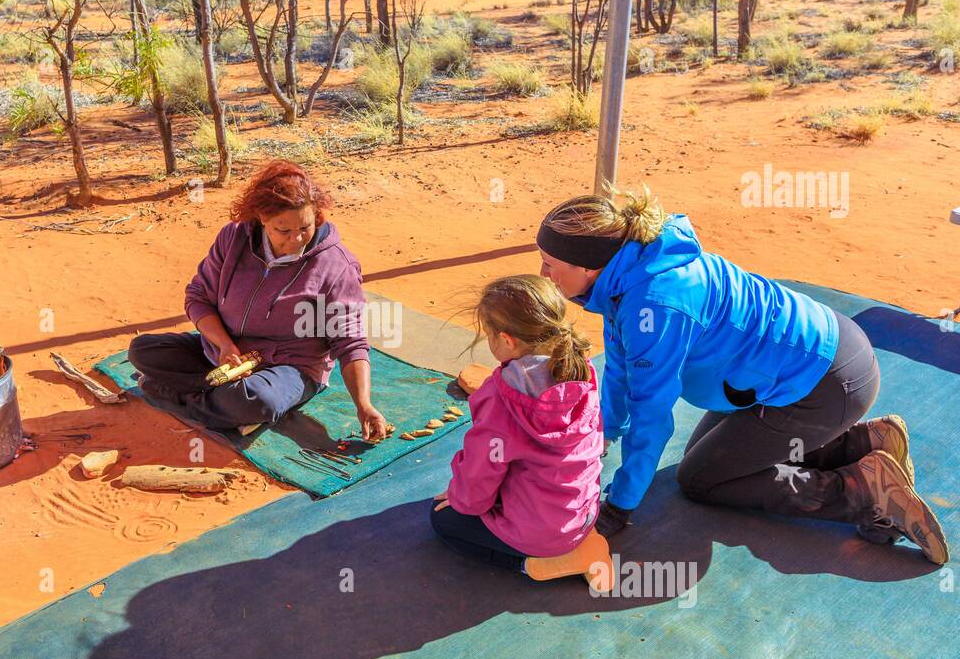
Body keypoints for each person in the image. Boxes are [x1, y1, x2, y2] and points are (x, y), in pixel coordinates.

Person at [535, 187, 948, 564]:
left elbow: (651, 413)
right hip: (814, 356)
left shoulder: (655, 305)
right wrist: (605, 431)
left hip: (824, 384)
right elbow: (622, 369)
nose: (543, 275)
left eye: (551, 264)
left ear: (587, 267)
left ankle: (865, 491)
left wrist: (620, 504)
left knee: (702, 481)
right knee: (709, 454)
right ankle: (862, 442)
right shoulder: (635, 267)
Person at [128, 160, 389, 439]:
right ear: (262, 217)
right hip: (224, 356)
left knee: (258, 399)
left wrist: (363, 404)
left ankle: (179, 395)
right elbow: (198, 297)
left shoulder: (336, 266)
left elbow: (350, 341)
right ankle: (216, 400)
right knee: (144, 350)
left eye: (306, 227)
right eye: (283, 230)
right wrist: (224, 345)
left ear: (318, 216)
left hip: (289, 368)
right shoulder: (234, 238)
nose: (297, 239)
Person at [431, 275, 611, 584]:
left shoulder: (501, 399)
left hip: (541, 535)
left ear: (507, 340)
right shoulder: (581, 370)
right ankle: (583, 539)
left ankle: (534, 564)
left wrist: (460, 498)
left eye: (489, 335)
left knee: (444, 520)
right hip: (581, 514)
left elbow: (479, 474)